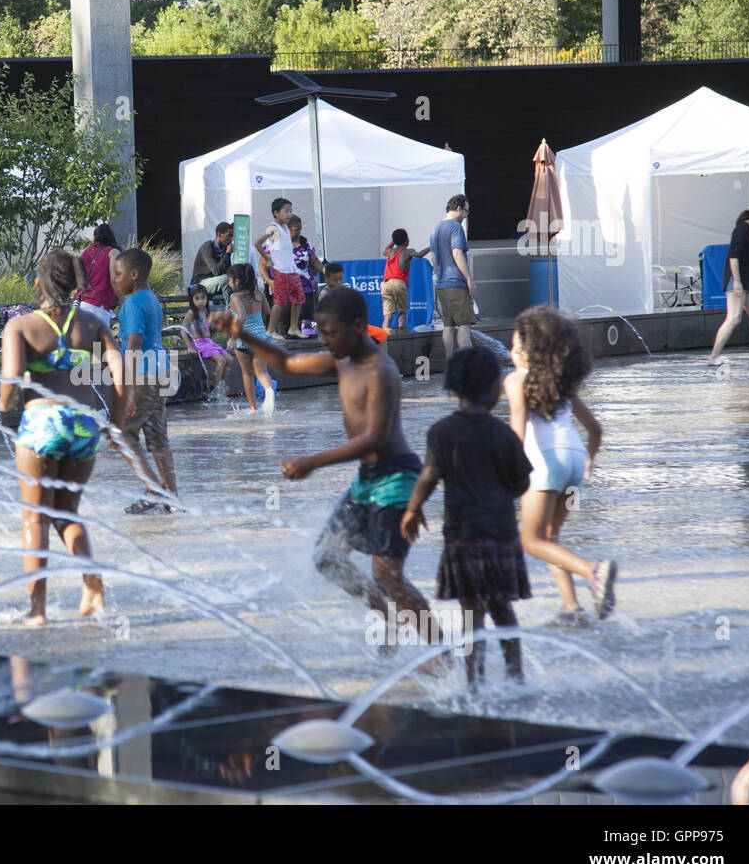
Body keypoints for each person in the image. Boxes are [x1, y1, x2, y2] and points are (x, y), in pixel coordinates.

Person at [212, 286, 443, 651]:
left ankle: (439, 649)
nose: (323, 340)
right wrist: (240, 333)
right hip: (367, 481)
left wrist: (312, 461)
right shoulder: (341, 360)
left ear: (357, 326)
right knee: (326, 558)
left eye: (329, 333)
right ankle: (387, 616)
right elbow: (286, 363)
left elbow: (374, 438)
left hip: (397, 479)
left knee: (387, 573)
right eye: (320, 332)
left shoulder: (381, 370)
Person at [0, 248, 130, 625]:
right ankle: (93, 585)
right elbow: (122, 379)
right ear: (75, 285)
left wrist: (7, 400)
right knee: (67, 512)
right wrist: (116, 431)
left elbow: (7, 390)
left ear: (37, 282)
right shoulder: (93, 324)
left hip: (42, 424)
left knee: (35, 519)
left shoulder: (20, 327)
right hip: (84, 426)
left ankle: (37, 610)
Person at [402, 348, 532, 687]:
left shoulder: (442, 432)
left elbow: (429, 476)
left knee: (471, 614)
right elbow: (522, 483)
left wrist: (413, 510)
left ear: (455, 387)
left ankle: (474, 682)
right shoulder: (504, 434)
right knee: (503, 610)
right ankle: (516, 678)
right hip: (501, 534)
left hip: (462, 536)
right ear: (492, 389)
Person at [504, 305, 617, 624]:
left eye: (515, 346)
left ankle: (593, 572)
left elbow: (518, 425)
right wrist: (589, 462)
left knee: (532, 541)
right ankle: (572, 608)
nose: (512, 352)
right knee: (550, 538)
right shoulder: (563, 384)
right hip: (574, 460)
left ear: (530, 350)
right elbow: (595, 429)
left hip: (544, 462)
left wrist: (511, 469)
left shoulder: (516, 379)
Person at [114, 247, 180, 514]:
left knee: (122, 435)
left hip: (142, 374)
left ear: (134, 274)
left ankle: (155, 490)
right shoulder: (151, 298)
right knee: (157, 438)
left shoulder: (132, 303)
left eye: (118, 274)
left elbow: (135, 342)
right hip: (161, 369)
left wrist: (127, 387)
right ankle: (172, 497)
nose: (115, 280)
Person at [708, 196, 749, 365]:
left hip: (748, 278)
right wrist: (737, 281)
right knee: (734, 318)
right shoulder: (742, 229)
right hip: (736, 279)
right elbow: (734, 256)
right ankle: (714, 356)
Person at [430, 195, 476, 358]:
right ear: (458, 208)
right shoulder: (456, 228)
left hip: (442, 284)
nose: (465, 216)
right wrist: (469, 278)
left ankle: (450, 362)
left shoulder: (435, 228)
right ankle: (466, 364)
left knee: (448, 325)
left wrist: (439, 274)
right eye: (466, 212)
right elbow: (457, 253)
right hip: (456, 282)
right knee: (464, 324)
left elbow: (434, 258)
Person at [253, 197, 306, 340]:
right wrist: (268, 258)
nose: (289, 214)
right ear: (276, 213)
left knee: (299, 299)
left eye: (291, 211)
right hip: (281, 271)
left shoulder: (284, 228)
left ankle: (293, 328)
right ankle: (270, 330)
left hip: (292, 270)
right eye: (286, 211)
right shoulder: (274, 228)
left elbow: (278, 247)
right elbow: (258, 243)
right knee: (279, 302)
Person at [227, 264, 275, 414]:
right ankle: (269, 391)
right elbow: (268, 311)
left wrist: (233, 338)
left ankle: (253, 407)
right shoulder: (259, 294)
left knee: (247, 373)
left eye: (229, 280)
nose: (229, 283)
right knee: (262, 372)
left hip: (243, 340)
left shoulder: (235, 297)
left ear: (237, 281)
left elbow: (241, 316)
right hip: (260, 339)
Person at [180, 284, 231, 395]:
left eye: (203, 298)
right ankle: (215, 390)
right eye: (197, 299)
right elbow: (183, 330)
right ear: (192, 300)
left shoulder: (205, 311)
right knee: (221, 361)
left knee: (230, 359)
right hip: (199, 344)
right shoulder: (191, 313)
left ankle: (221, 385)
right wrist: (189, 346)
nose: (201, 301)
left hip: (209, 343)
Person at [381, 229, 431, 332]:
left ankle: (386, 333)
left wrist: (393, 241)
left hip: (386, 284)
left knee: (388, 314)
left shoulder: (390, 252)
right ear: (406, 240)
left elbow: (384, 250)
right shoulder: (407, 251)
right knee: (402, 312)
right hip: (399, 283)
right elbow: (420, 254)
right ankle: (401, 332)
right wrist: (432, 246)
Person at [78, 223, 121, 328]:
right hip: (98, 306)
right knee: (98, 342)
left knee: (91, 342)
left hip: (83, 304)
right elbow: (114, 279)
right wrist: (123, 300)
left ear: (95, 237)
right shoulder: (113, 252)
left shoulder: (86, 252)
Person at [287, 215, 326, 324]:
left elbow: (314, 261)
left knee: (306, 318)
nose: (299, 232)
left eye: (300, 229)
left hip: (306, 288)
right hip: (286, 289)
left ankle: (306, 335)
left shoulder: (304, 242)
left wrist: (325, 271)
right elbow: (265, 263)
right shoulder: (278, 244)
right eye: (296, 230)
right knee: (288, 320)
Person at [191, 222, 234, 294]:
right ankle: (229, 305)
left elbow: (227, 269)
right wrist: (227, 253)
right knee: (226, 279)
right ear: (219, 235)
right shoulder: (207, 247)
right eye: (228, 236)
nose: (231, 239)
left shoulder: (224, 247)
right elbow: (217, 271)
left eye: (232, 236)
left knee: (234, 279)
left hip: (215, 281)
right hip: (200, 282)